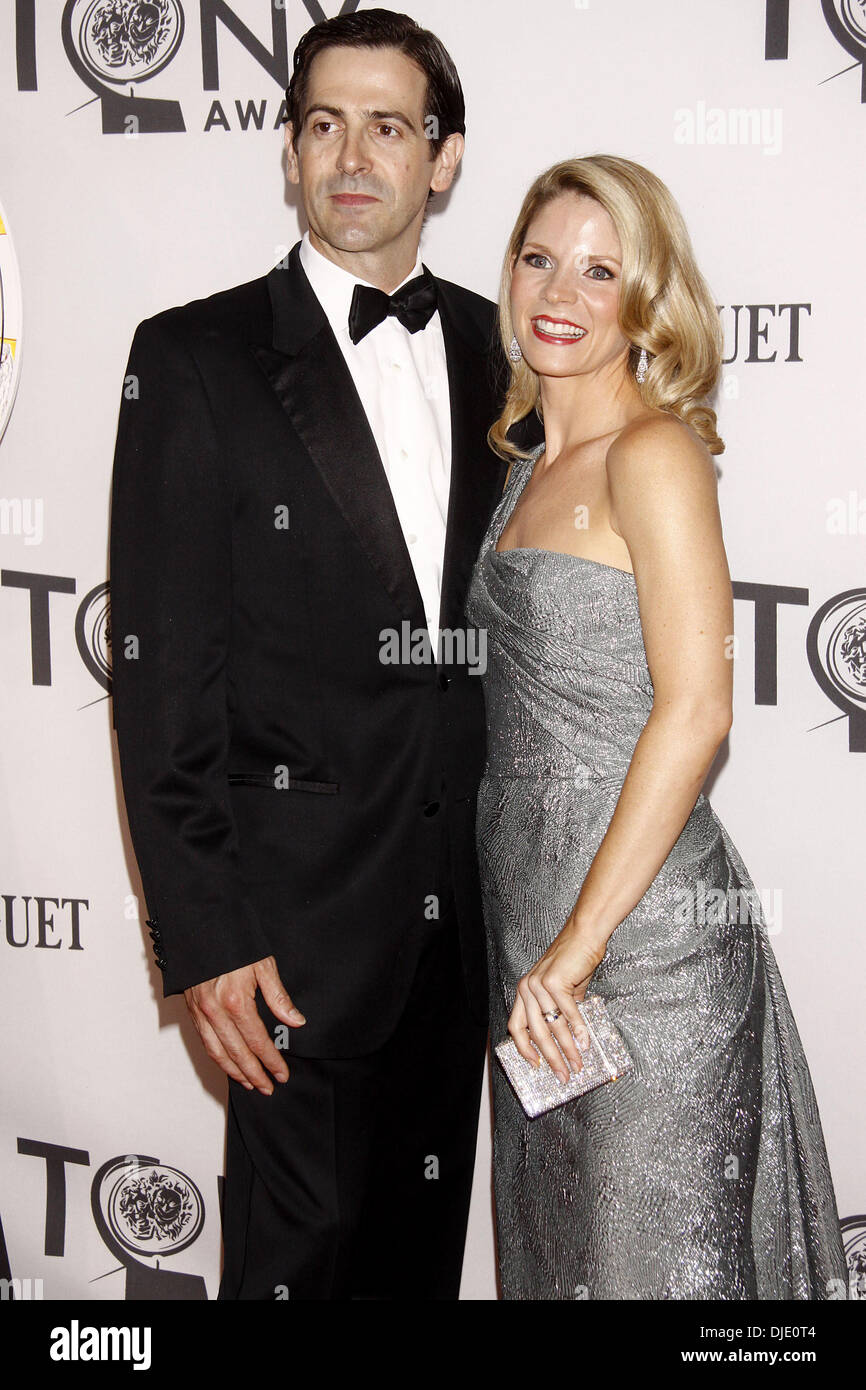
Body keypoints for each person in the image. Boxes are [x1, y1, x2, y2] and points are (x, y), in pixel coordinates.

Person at [109, 9, 521, 1300]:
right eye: (323, 123)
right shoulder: (193, 359)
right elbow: (159, 673)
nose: (352, 155)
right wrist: (205, 935)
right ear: (286, 151)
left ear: (440, 160)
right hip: (286, 950)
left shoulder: (505, 354)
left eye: (388, 126)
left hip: (465, 945)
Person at [466, 155, 849, 1300]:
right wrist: (545, 950)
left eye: (601, 270)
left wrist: (576, 951)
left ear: (647, 301)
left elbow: (695, 712)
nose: (560, 293)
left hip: (639, 949)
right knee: (563, 1261)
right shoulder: (526, 467)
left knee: (652, 1272)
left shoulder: (653, 453)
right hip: (533, 934)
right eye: (541, 259)